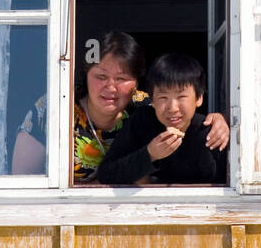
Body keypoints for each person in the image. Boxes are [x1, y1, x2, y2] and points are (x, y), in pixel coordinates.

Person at [11, 31, 228, 182]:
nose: (110, 87)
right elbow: (23, 179)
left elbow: (184, 109)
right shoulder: (54, 108)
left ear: (136, 83)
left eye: (122, 78)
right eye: (101, 76)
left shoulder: (145, 106)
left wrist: (219, 120)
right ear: (86, 75)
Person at [96, 53, 222, 185]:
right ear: (152, 99)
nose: (172, 108)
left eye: (181, 97)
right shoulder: (142, 122)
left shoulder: (211, 133)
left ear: (199, 98)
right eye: (163, 98)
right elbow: (106, 174)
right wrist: (150, 154)